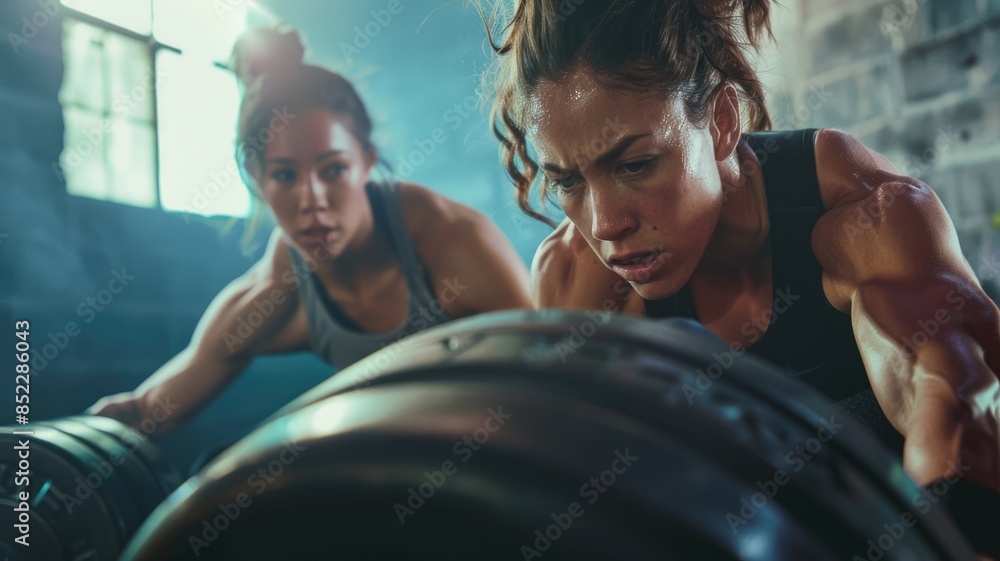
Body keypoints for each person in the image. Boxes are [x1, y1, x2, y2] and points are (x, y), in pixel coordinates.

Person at [484, 0, 1000, 493]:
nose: (604, 225)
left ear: (722, 122)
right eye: (568, 182)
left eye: (635, 165)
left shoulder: (862, 212)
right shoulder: (574, 281)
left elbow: (949, 392)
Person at [87, 27, 531, 439]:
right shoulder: (277, 292)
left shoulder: (451, 240)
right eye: (284, 175)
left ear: (367, 161)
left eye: (333, 169)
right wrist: (95, 435)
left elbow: (560, 373)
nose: (312, 199)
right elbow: (147, 412)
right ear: (255, 177)